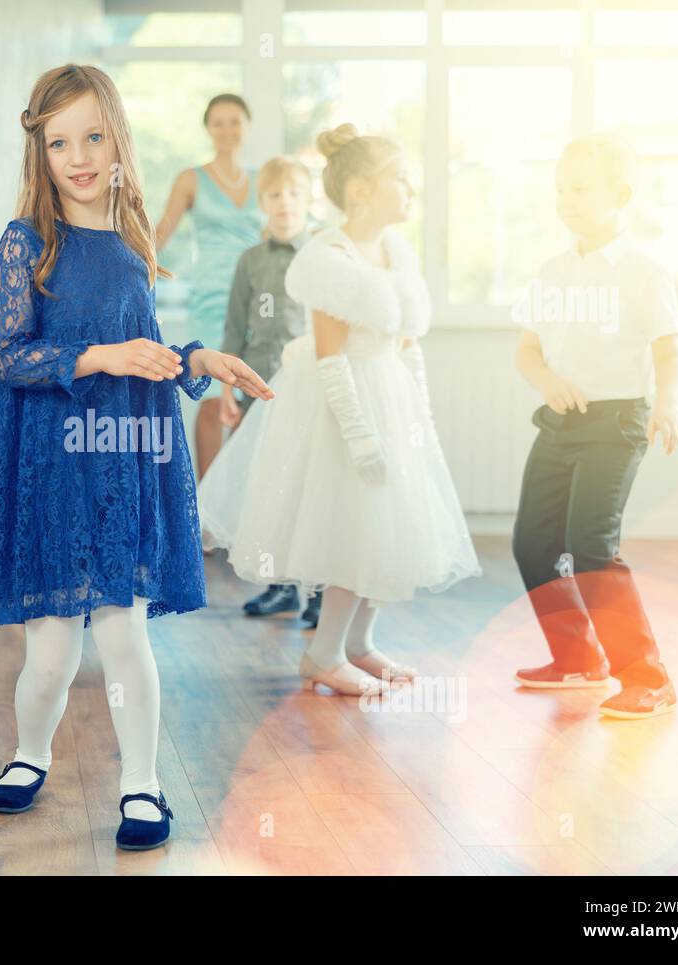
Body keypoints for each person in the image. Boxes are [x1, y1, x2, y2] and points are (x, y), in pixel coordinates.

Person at [0, 65, 273, 850]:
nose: (78, 156)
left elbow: (143, 350)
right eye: (60, 141)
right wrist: (105, 354)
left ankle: (144, 783)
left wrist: (198, 356)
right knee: (51, 658)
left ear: (118, 141)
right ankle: (30, 752)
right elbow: (10, 356)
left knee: (125, 635)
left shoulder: (134, 238)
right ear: (39, 148)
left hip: (119, 462)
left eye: (94, 137)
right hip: (49, 464)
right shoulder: (24, 242)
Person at [199, 123, 480, 696]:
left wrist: (419, 418)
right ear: (362, 190)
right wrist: (359, 436)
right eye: (399, 178)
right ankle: (324, 653)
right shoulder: (329, 256)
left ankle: (359, 644)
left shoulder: (396, 251)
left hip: (389, 396)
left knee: (392, 527)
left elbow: (407, 344)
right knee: (356, 529)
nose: (410, 188)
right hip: (342, 403)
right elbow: (330, 358)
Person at [511, 133, 678, 720]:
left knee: (591, 548)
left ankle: (648, 678)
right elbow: (528, 352)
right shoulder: (552, 270)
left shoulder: (644, 272)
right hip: (559, 422)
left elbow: (670, 352)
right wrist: (547, 383)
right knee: (533, 544)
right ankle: (578, 659)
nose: (567, 198)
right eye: (561, 187)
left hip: (617, 424)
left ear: (621, 194)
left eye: (581, 187)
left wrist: (670, 403)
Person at [215, 155, 323, 626]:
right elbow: (234, 329)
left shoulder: (321, 255)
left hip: (310, 390)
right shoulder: (250, 262)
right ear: (262, 202)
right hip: (258, 388)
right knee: (269, 489)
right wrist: (225, 390)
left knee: (311, 489)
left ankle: (319, 589)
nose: (284, 204)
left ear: (308, 199)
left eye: (294, 194)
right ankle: (278, 585)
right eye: (275, 195)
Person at [155, 93, 265, 478]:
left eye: (235, 121)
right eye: (218, 122)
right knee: (212, 400)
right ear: (208, 128)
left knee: (245, 401)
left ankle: (236, 510)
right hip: (210, 301)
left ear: (247, 126)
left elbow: (282, 234)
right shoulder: (191, 178)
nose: (227, 130)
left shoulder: (263, 180)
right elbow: (160, 235)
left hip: (254, 303)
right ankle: (204, 512)